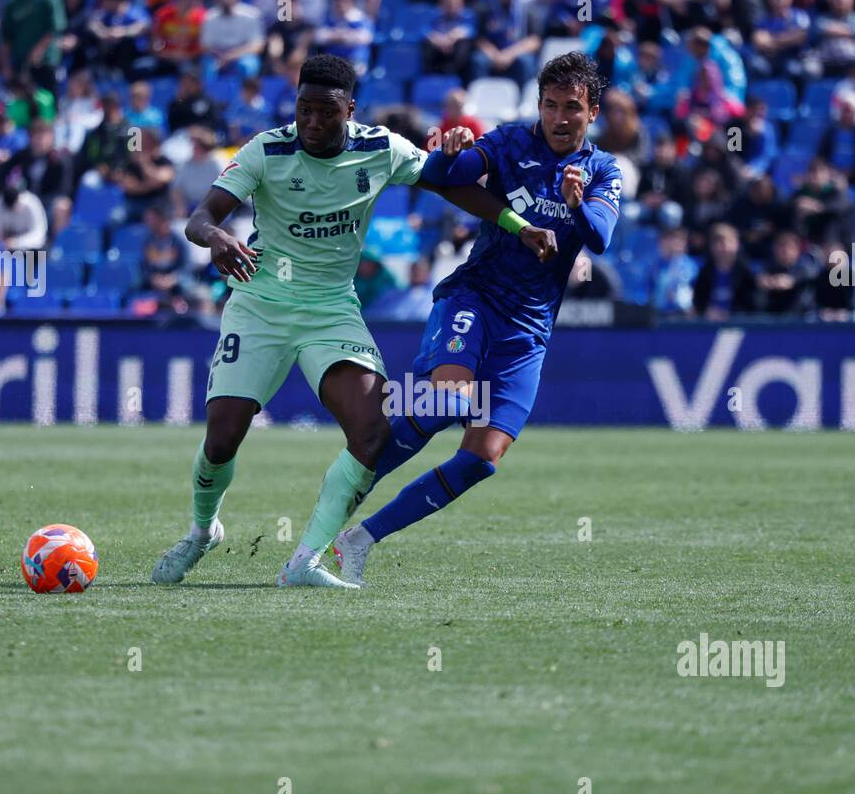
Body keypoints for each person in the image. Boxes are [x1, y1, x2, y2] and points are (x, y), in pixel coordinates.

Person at [149, 54, 557, 588]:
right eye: (304, 110)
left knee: (370, 431)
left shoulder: (380, 147)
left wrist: (514, 220)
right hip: (260, 305)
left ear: (351, 110)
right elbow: (201, 217)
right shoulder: (266, 149)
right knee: (224, 437)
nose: (313, 123)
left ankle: (305, 562)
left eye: (326, 112)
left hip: (331, 310)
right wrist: (219, 238)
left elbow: (447, 182)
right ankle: (203, 531)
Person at [331, 52, 622, 585]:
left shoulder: (602, 169)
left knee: (482, 458)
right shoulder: (510, 142)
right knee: (445, 402)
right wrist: (451, 148)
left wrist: (576, 203)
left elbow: (599, 238)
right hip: (475, 298)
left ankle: (359, 537)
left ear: (593, 112)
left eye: (572, 109)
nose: (560, 118)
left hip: (529, 330)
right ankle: (344, 491)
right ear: (538, 104)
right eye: (551, 105)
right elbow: (446, 177)